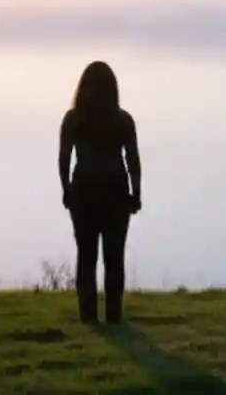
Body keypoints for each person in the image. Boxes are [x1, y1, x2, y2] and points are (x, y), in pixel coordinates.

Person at [59, 61, 141, 324]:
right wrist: (136, 193)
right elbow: (133, 160)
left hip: (83, 192)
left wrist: (66, 189)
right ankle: (114, 315)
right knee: (114, 258)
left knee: (86, 256)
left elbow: (63, 158)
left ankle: (88, 315)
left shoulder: (73, 120)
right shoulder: (123, 120)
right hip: (116, 192)